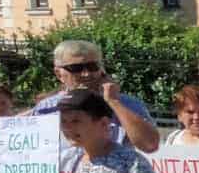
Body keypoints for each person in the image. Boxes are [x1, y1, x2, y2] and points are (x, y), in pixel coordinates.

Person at [32, 40, 160, 155]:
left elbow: (150, 145)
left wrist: (114, 102)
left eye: (93, 67)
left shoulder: (127, 105)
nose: (86, 74)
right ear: (59, 74)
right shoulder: (46, 109)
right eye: (76, 68)